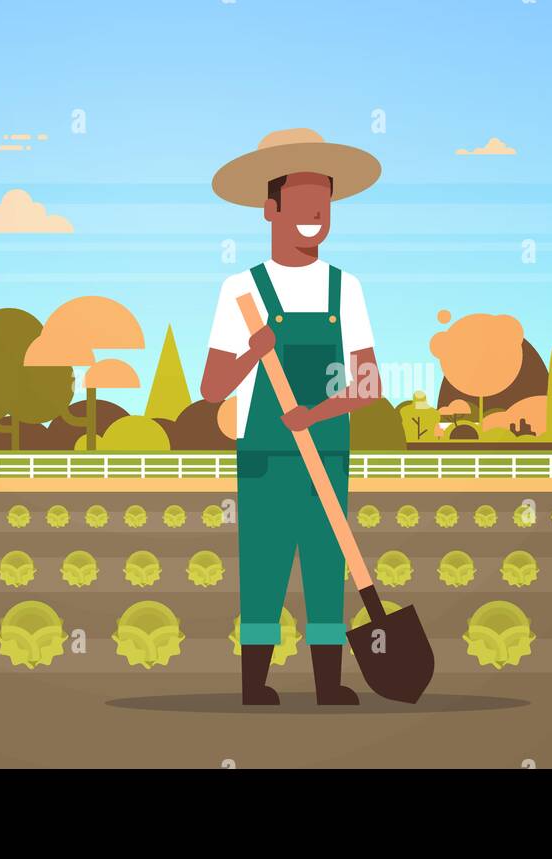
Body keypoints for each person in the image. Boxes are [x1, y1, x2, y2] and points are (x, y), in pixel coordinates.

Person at [203, 128, 382, 705]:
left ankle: (329, 684)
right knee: (263, 563)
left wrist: (317, 412)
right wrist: (253, 353)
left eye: (323, 202)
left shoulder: (344, 289)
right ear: (269, 208)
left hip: (326, 451)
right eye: (301, 201)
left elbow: (369, 383)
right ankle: (253, 683)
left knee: (328, 567)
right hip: (263, 459)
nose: (314, 213)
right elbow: (211, 389)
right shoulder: (242, 290)